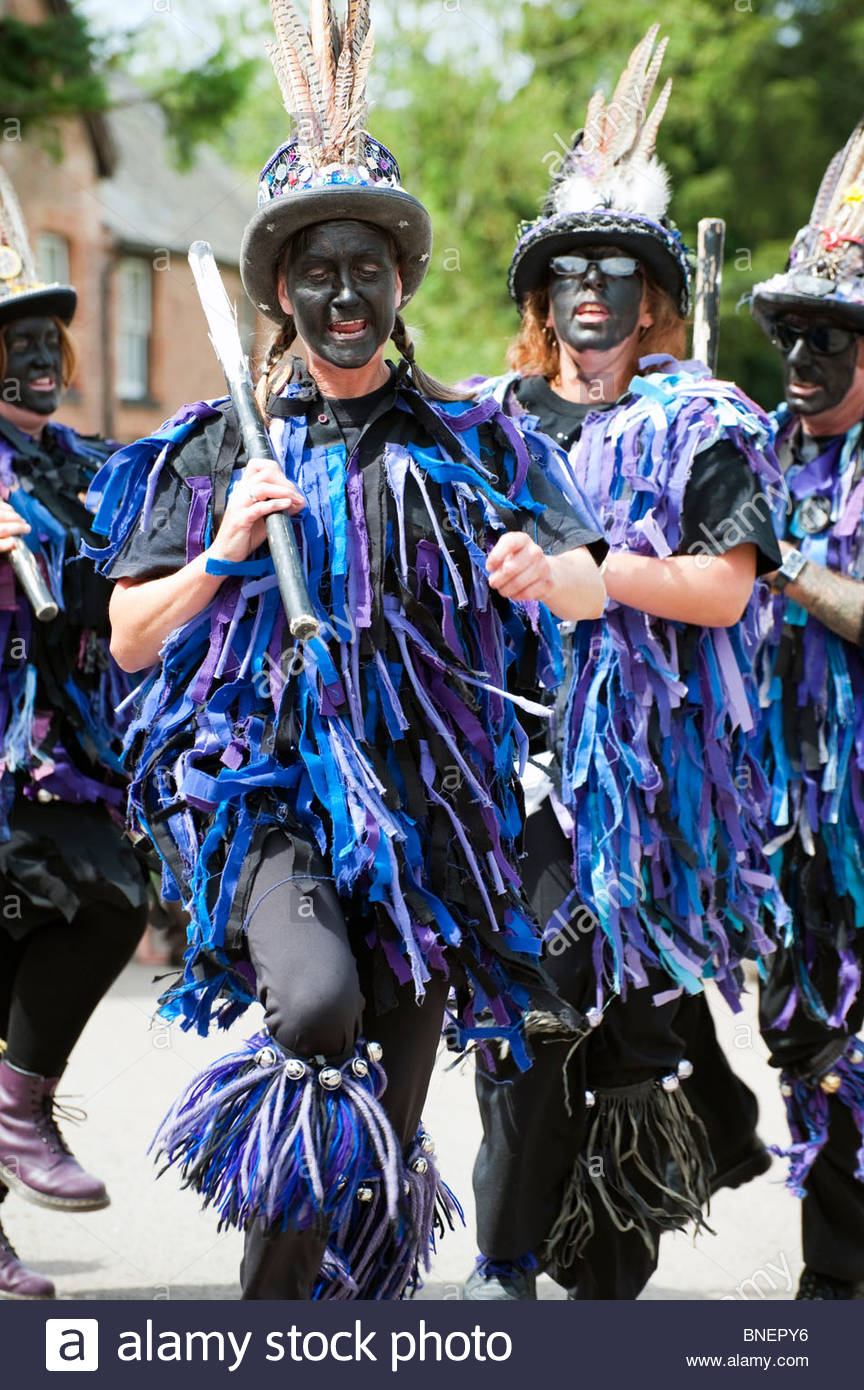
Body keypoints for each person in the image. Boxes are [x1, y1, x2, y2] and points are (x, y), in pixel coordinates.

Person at [88, 0, 606, 1302]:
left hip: (436, 828)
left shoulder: (480, 443)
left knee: (375, 1125)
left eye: (364, 265)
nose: (339, 290)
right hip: (279, 807)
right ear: (276, 289)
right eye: (313, 267)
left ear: (400, 281)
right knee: (316, 1011)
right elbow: (128, 633)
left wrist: (553, 575)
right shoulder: (224, 445)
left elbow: (595, 587)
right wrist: (218, 554)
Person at [463, 27, 785, 1301]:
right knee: (535, 1006)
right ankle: (503, 1264)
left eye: (614, 270)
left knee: (626, 1049)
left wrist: (605, 581)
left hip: (656, 800)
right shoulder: (491, 424)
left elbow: (726, 588)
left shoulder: (705, 422)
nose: (589, 292)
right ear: (543, 305)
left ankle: (601, 1284)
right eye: (567, 275)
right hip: (520, 776)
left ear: (653, 297)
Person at [0, 169, 148, 1299]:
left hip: (65, 768)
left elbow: (127, 590)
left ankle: (20, 1104)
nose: (38, 351)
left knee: (107, 899)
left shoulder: (93, 465)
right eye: (12, 338)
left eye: (48, 330)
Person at [742, 115, 864, 1300]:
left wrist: (786, 567)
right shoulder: (760, 452)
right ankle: (832, 1284)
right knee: (804, 1041)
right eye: (790, 332)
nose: (801, 354)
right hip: (786, 825)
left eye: (828, 335)